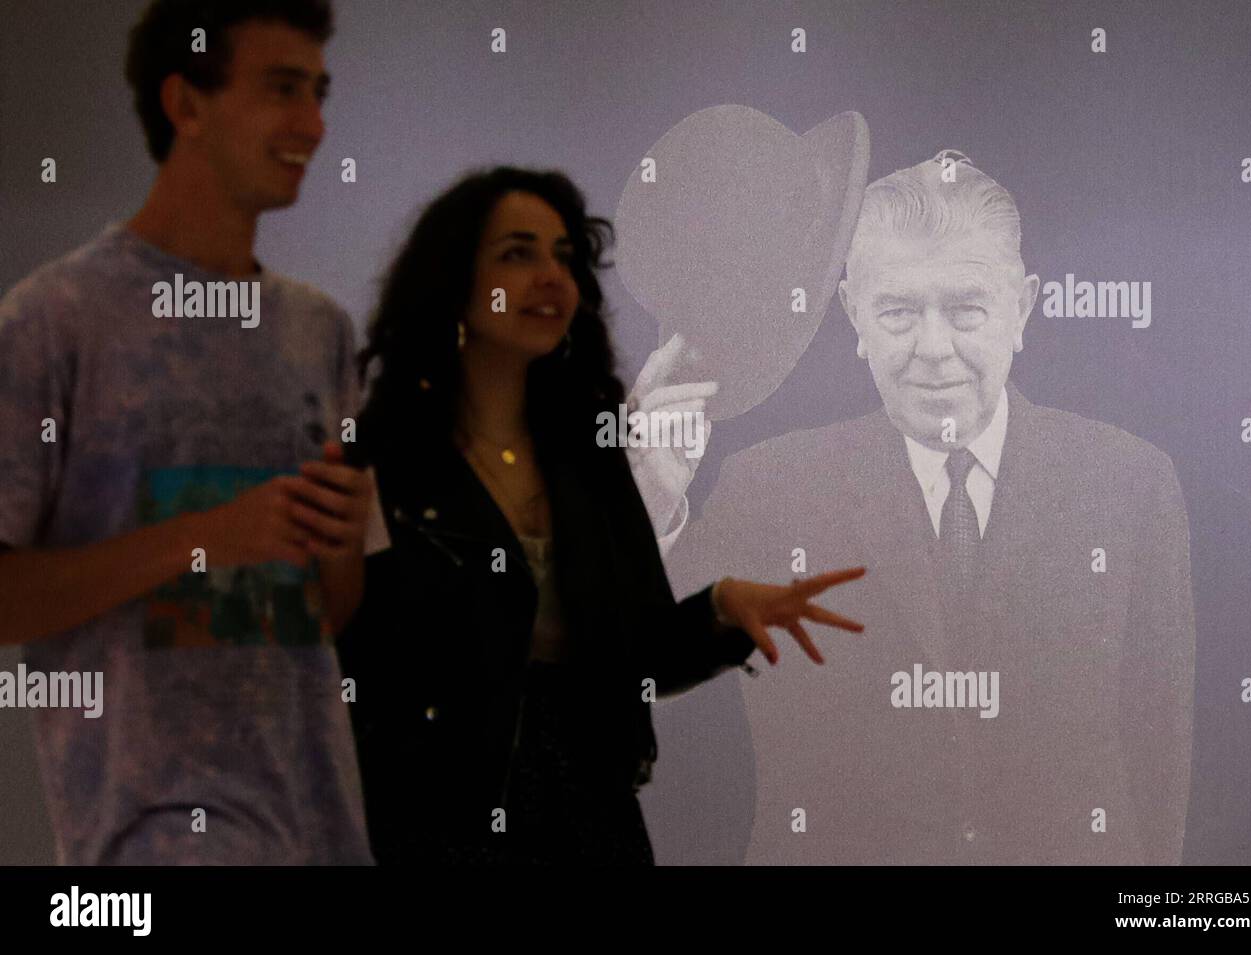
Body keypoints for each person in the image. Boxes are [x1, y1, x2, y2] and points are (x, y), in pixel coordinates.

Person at [664, 150, 1196, 864]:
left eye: (966, 310)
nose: (933, 350)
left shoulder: (1132, 485)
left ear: (1023, 309)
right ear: (854, 314)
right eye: (898, 312)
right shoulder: (768, 488)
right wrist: (646, 503)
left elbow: (1157, 755)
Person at [337, 166, 866, 865]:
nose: (551, 277)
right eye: (518, 254)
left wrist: (719, 610)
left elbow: (641, 653)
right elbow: (346, 657)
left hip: (589, 814)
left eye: (564, 257)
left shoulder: (589, 456)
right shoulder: (381, 457)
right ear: (453, 281)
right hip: (435, 820)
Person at [0, 0, 374, 864]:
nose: (314, 126)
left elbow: (330, 611)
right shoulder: (54, 320)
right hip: (145, 841)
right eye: (283, 89)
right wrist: (208, 538)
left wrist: (341, 544)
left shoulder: (321, 331)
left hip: (320, 828)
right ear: (186, 104)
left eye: (320, 93)